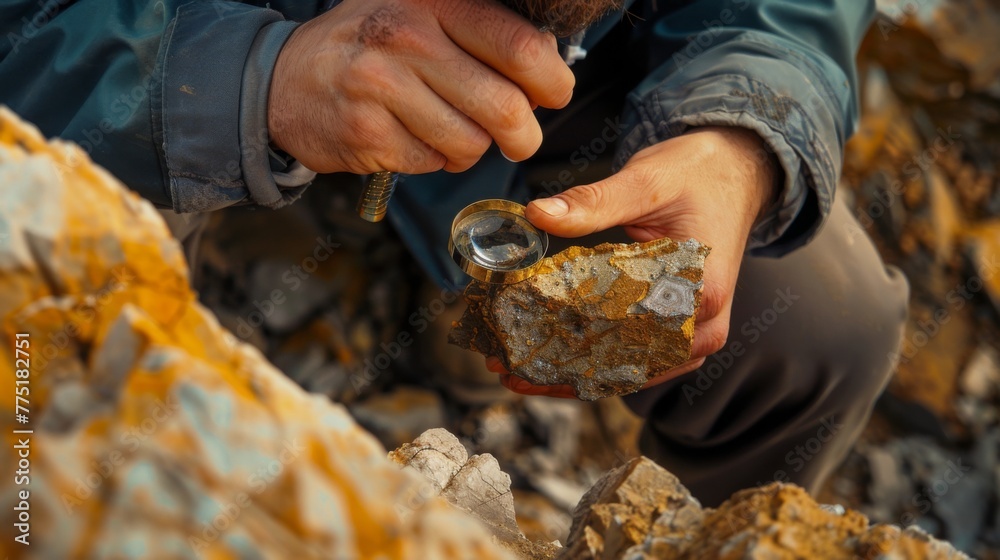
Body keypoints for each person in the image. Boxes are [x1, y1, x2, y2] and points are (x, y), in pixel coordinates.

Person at [0, 0, 908, 506]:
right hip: (186, 34)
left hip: (571, 101)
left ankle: (436, 310)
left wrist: (738, 139)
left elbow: (790, 11)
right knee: (43, 315)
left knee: (827, 330)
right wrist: (252, 81)